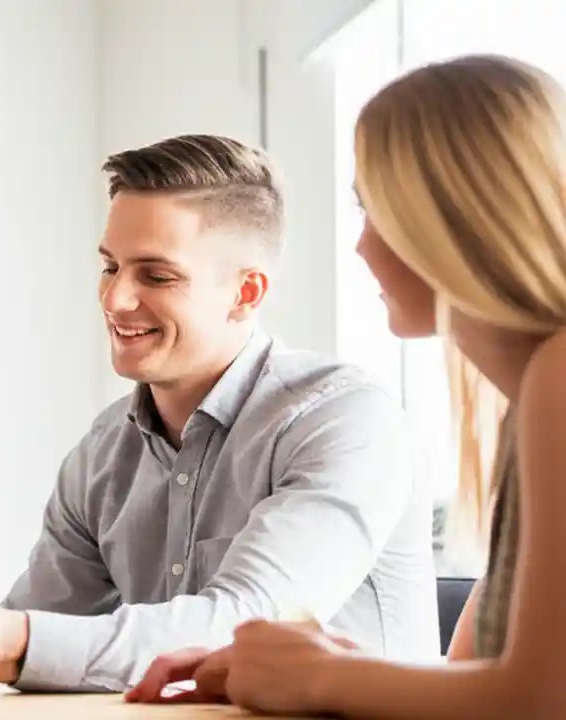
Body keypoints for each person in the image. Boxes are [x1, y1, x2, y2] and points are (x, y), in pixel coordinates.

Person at [0, 134, 439, 692]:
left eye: (157, 275)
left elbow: (250, 627)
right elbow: (34, 635)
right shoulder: (104, 450)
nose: (116, 298)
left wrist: (11, 639)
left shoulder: (343, 420)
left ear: (245, 292)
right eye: (110, 266)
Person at [131, 54, 566, 718]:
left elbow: (535, 700)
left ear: (457, 215)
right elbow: (479, 682)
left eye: (374, 209)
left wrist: (319, 676)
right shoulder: (529, 407)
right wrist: (299, 665)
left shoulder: (557, 379)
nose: (361, 246)